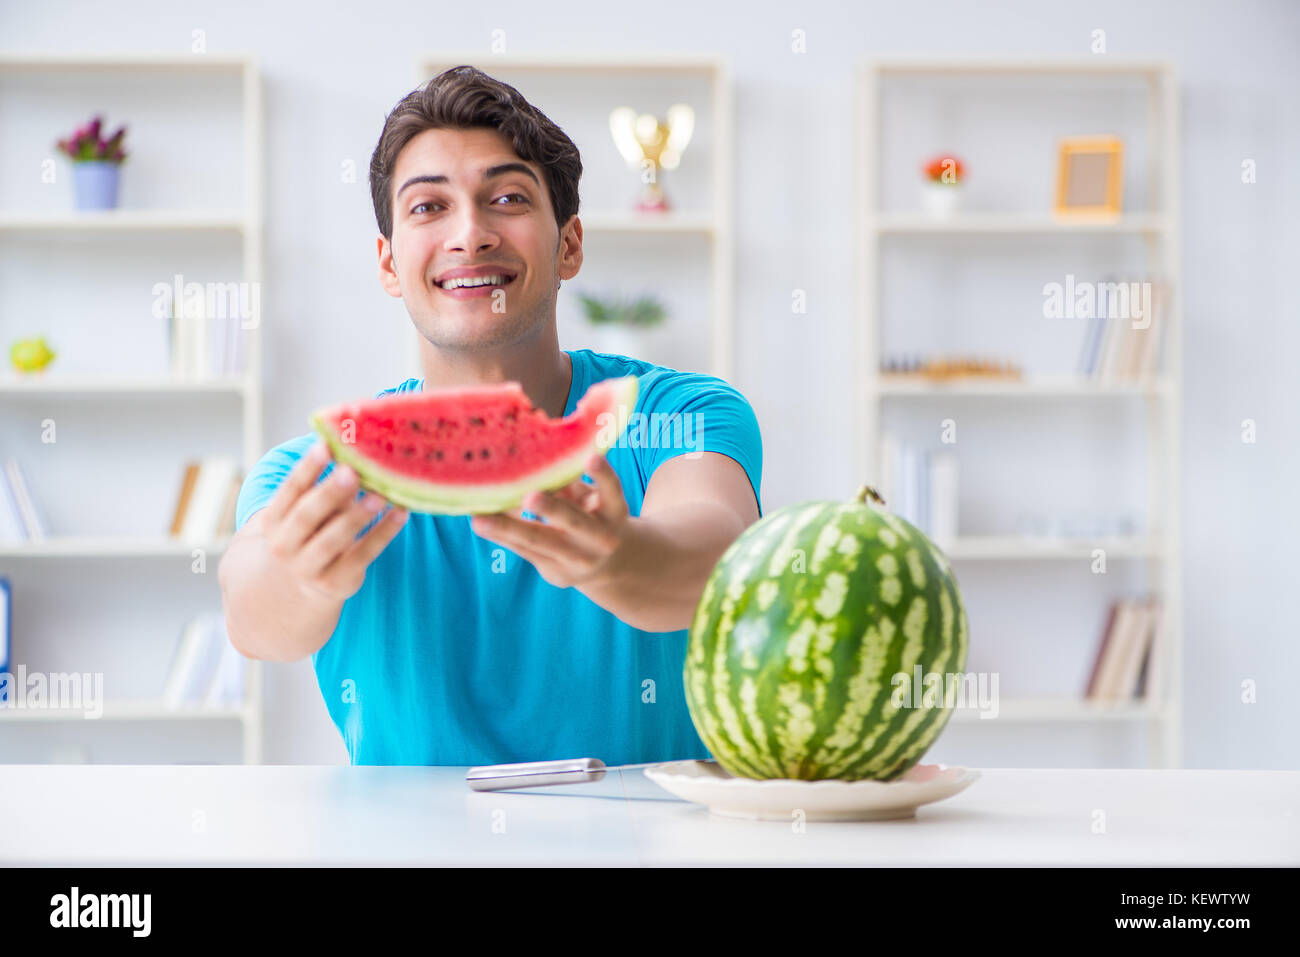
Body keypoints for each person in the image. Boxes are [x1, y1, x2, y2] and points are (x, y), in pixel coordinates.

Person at [218, 65, 763, 766]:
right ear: (388, 263)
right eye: (427, 208)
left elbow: (720, 556)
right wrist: (302, 574)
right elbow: (253, 618)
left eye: (506, 198)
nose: (470, 234)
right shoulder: (313, 471)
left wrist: (619, 555)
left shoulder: (677, 412)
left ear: (569, 245)